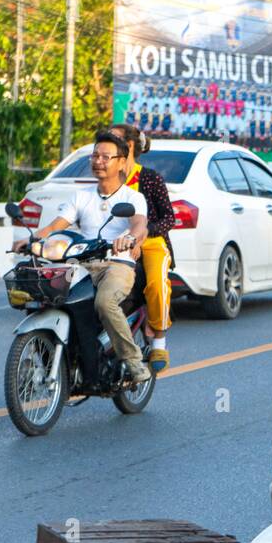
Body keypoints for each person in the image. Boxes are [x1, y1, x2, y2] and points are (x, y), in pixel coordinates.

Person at [16, 130, 151, 384]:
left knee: (104, 303)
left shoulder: (132, 198)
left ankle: (133, 362)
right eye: (95, 155)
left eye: (106, 157)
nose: (98, 161)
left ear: (122, 162)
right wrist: (33, 238)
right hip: (83, 264)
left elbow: (139, 225)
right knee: (48, 296)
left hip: (117, 264)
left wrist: (130, 238)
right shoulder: (82, 195)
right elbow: (57, 225)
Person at [111, 123, 176, 375]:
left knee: (157, 282)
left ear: (128, 147)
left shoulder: (149, 178)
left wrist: (143, 234)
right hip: (114, 241)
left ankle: (159, 340)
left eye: (113, 140)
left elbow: (169, 218)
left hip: (150, 240)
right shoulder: (105, 178)